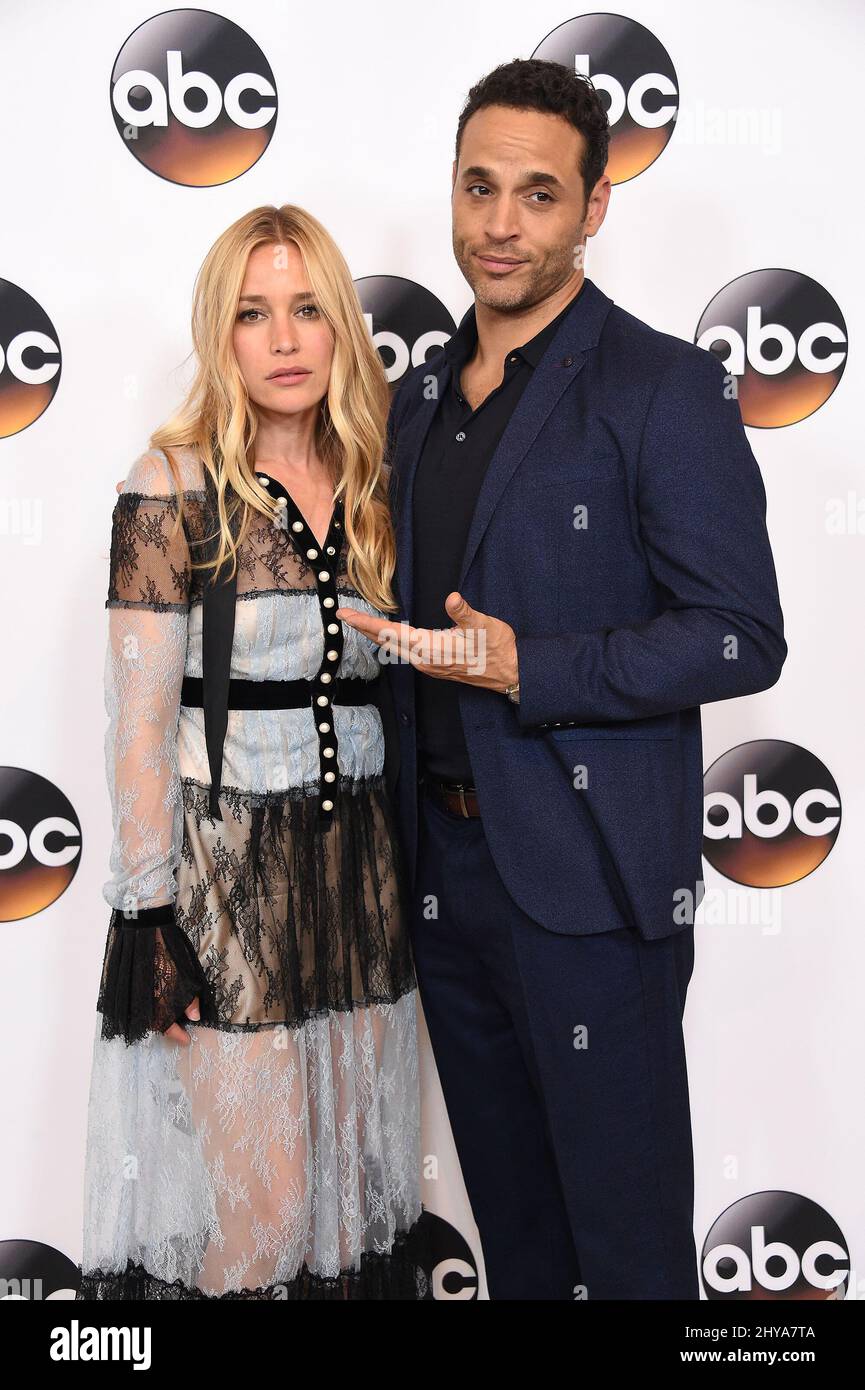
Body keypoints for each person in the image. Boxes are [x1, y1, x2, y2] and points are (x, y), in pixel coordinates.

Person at [338, 59, 787, 1299]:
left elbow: (741, 632)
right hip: (442, 878)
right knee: (520, 1248)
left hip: (588, 884)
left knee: (631, 1259)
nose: (498, 224)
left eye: (538, 195)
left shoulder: (662, 388)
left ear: (594, 208)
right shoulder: (415, 400)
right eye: (478, 188)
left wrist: (531, 664)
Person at [76, 205, 430, 1300]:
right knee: (259, 1205)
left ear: (340, 329)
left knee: (349, 1194)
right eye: (252, 314)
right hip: (223, 880)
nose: (284, 340)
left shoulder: (381, 482)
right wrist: (147, 917)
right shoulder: (171, 485)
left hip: (357, 876)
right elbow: (136, 721)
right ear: (217, 335)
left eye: (308, 309)